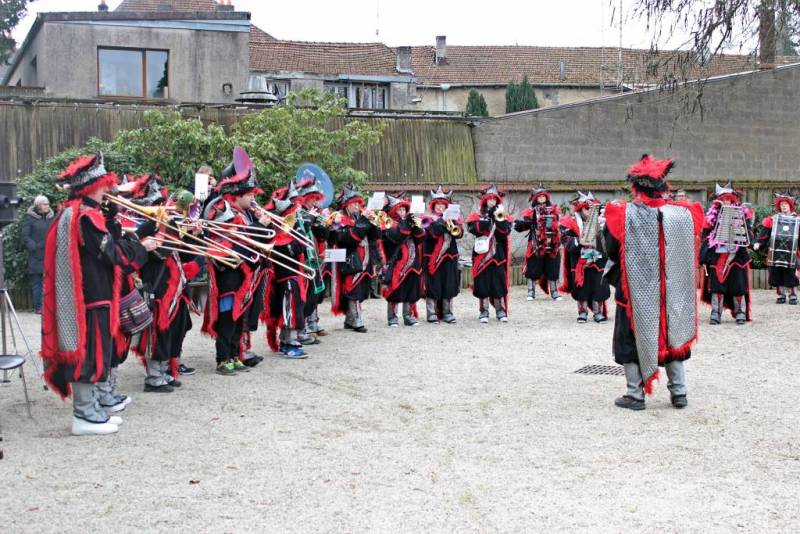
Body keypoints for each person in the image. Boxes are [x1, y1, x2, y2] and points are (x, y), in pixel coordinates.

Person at [41, 152, 158, 435]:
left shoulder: (79, 212)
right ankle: (85, 414)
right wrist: (141, 247)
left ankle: (92, 408)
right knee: (90, 354)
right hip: (91, 297)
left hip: (94, 294)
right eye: (105, 185)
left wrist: (118, 224)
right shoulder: (85, 216)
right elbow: (112, 254)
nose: (109, 190)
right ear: (92, 186)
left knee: (97, 352)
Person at [603, 155, 704, 410]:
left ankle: (635, 394)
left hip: (633, 293)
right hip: (672, 291)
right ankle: (679, 392)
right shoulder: (684, 214)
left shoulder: (622, 214)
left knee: (629, 339)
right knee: (673, 336)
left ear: (635, 187)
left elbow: (611, 249)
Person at [202, 148, 270, 375]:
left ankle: (234, 354)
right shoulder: (221, 208)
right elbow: (233, 241)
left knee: (239, 315)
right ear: (237, 193)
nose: (253, 198)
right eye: (249, 194)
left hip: (244, 272)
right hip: (227, 272)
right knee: (227, 316)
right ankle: (223, 359)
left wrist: (263, 224)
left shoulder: (246, 213)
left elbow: (255, 240)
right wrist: (259, 226)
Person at [263, 183, 310, 358]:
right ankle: (289, 342)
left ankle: (286, 340)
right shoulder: (275, 230)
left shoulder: (293, 227)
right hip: (284, 274)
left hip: (292, 272)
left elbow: (301, 248)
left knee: (292, 306)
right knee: (289, 308)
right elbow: (292, 249)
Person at [700, 181, 754, 325]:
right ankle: (715, 313)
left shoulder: (742, 214)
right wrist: (704, 255)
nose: (726, 201)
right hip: (717, 256)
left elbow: (748, 234)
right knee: (717, 286)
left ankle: (740, 312)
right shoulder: (711, 216)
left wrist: (745, 236)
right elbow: (705, 237)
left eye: (728, 199)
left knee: (738, 285)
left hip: (737, 256)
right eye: (723, 199)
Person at [330, 184, 382, 332]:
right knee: (353, 289)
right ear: (346, 205)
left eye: (358, 203)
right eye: (353, 203)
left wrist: (374, 223)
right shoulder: (339, 219)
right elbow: (350, 238)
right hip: (350, 259)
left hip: (365, 258)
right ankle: (357, 320)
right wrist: (364, 222)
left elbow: (375, 237)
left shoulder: (359, 218)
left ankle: (349, 320)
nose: (357, 206)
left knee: (361, 289)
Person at [559, 191, 610, 322]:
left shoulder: (602, 221)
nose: (590, 211)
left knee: (599, 285)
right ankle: (582, 311)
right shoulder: (570, 222)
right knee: (581, 286)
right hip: (579, 260)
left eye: (593, 208)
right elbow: (566, 241)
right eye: (587, 208)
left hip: (598, 259)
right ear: (580, 209)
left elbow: (609, 241)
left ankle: (598, 312)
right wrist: (581, 240)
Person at [467, 184, 513, 323]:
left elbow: (505, 232)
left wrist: (498, 219)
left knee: (498, 283)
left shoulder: (502, 214)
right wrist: (486, 220)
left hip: (497, 255)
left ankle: (500, 310)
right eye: (489, 199)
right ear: (485, 201)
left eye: (494, 199)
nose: (492, 202)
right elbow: (473, 229)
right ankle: (484, 311)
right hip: (481, 255)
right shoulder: (477, 214)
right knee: (482, 283)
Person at [380, 193, 425, 327]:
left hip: (413, 263)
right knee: (394, 289)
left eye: (404, 210)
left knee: (411, 289)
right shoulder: (387, 223)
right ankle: (392, 317)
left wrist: (416, 227)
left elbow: (420, 239)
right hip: (397, 262)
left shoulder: (409, 223)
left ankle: (408, 316)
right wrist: (406, 224)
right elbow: (396, 237)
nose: (402, 212)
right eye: (399, 210)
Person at [514, 183, 563, 301]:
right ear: (536, 198)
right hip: (536, 242)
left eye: (543, 196)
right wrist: (522, 223)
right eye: (539, 196)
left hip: (552, 242)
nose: (541, 198)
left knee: (552, 266)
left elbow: (559, 224)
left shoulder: (554, 210)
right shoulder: (531, 212)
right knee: (533, 266)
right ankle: (531, 292)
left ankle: (554, 292)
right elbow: (525, 225)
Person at [422, 186, 462, 324]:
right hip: (432, 257)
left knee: (449, 284)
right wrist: (441, 222)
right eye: (438, 204)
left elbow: (459, 234)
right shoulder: (428, 219)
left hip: (449, 257)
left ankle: (448, 313)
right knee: (433, 285)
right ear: (434, 206)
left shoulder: (453, 218)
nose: (440, 207)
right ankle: (431, 313)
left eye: (443, 205)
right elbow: (431, 234)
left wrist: (453, 225)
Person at [753, 192, 799, 304]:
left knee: (790, 273)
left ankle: (793, 295)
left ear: (790, 205)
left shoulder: (797, 220)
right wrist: (758, 243)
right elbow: (764, 234)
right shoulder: (772, 219)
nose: (784, 206)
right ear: (779, 206)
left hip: (792, 252)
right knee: (777, 273)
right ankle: (781, 295)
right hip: (775, 252)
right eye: (782, 204)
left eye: (786, 204)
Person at [21, 195, 54, 314]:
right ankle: (38, 307)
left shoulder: (51, 218)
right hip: (36, 256)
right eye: (45, 204)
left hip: (50, 254)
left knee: (50, 282)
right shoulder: (30, 218)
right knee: (37, 283)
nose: (48, 206)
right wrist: (33, 247)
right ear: (38, 205)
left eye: (48, 204)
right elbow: (25, 236)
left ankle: (50, 307)